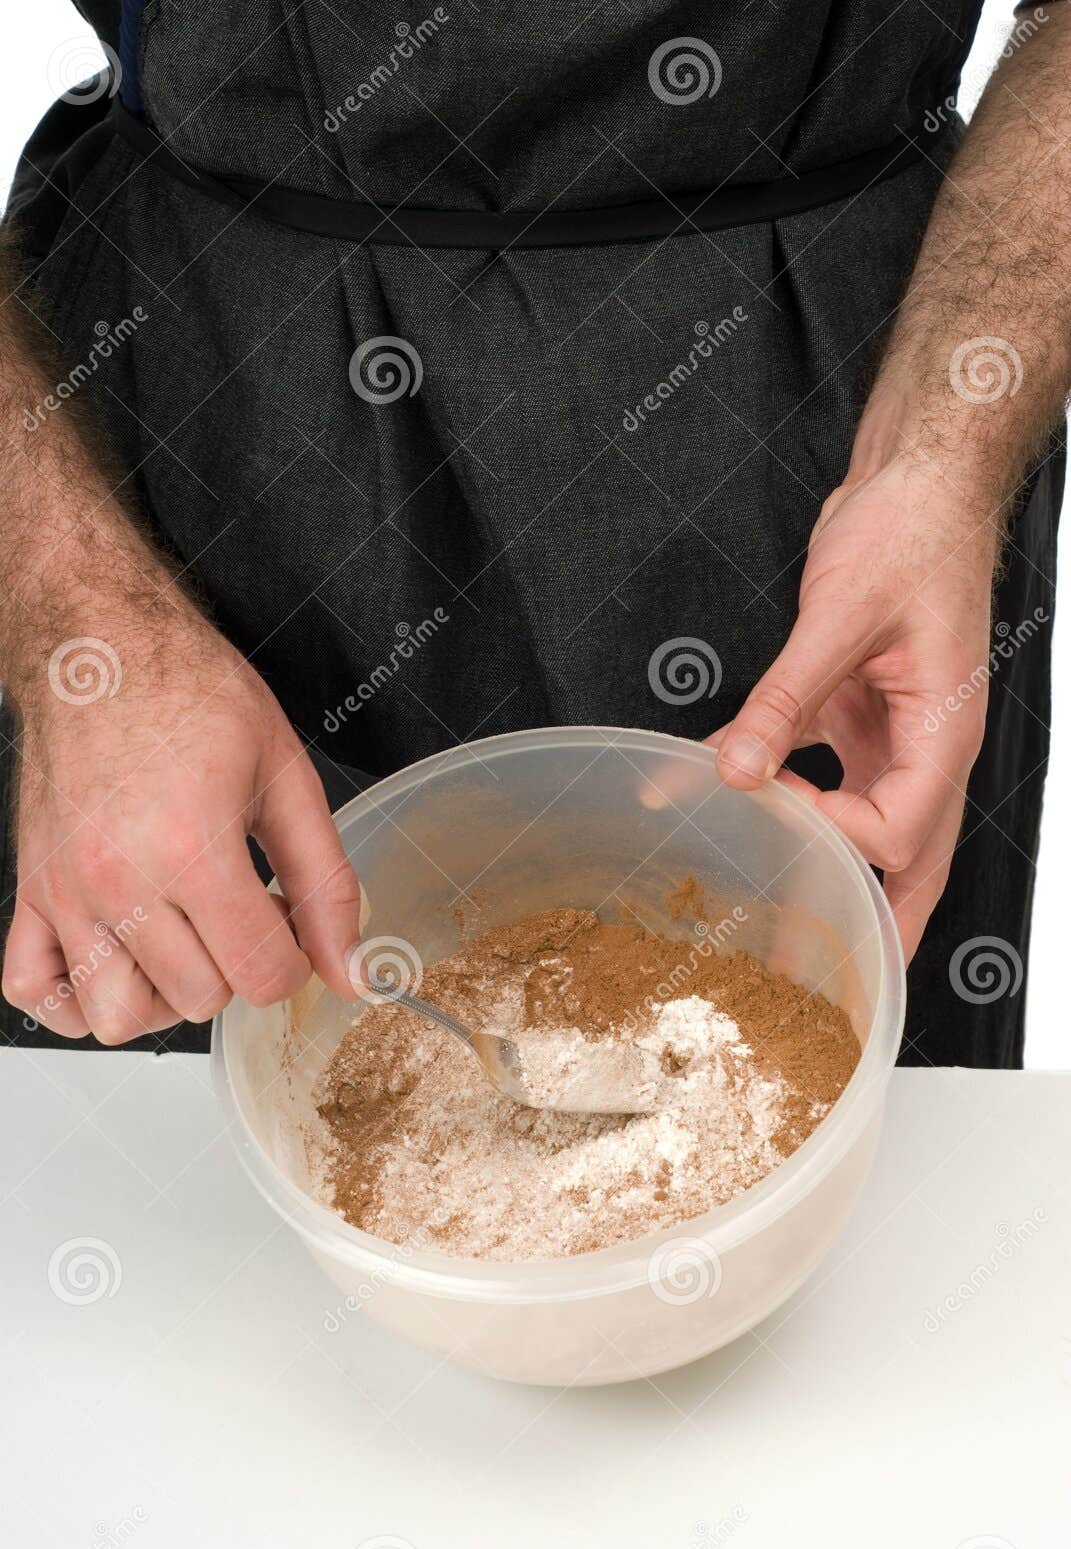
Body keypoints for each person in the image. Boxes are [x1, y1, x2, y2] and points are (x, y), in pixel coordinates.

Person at [0, 1, 1065, 1063]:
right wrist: (76, 626)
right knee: (190, 1171)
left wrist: (944, 455)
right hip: (184, 448)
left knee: (877, 1185)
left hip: (856, 447)